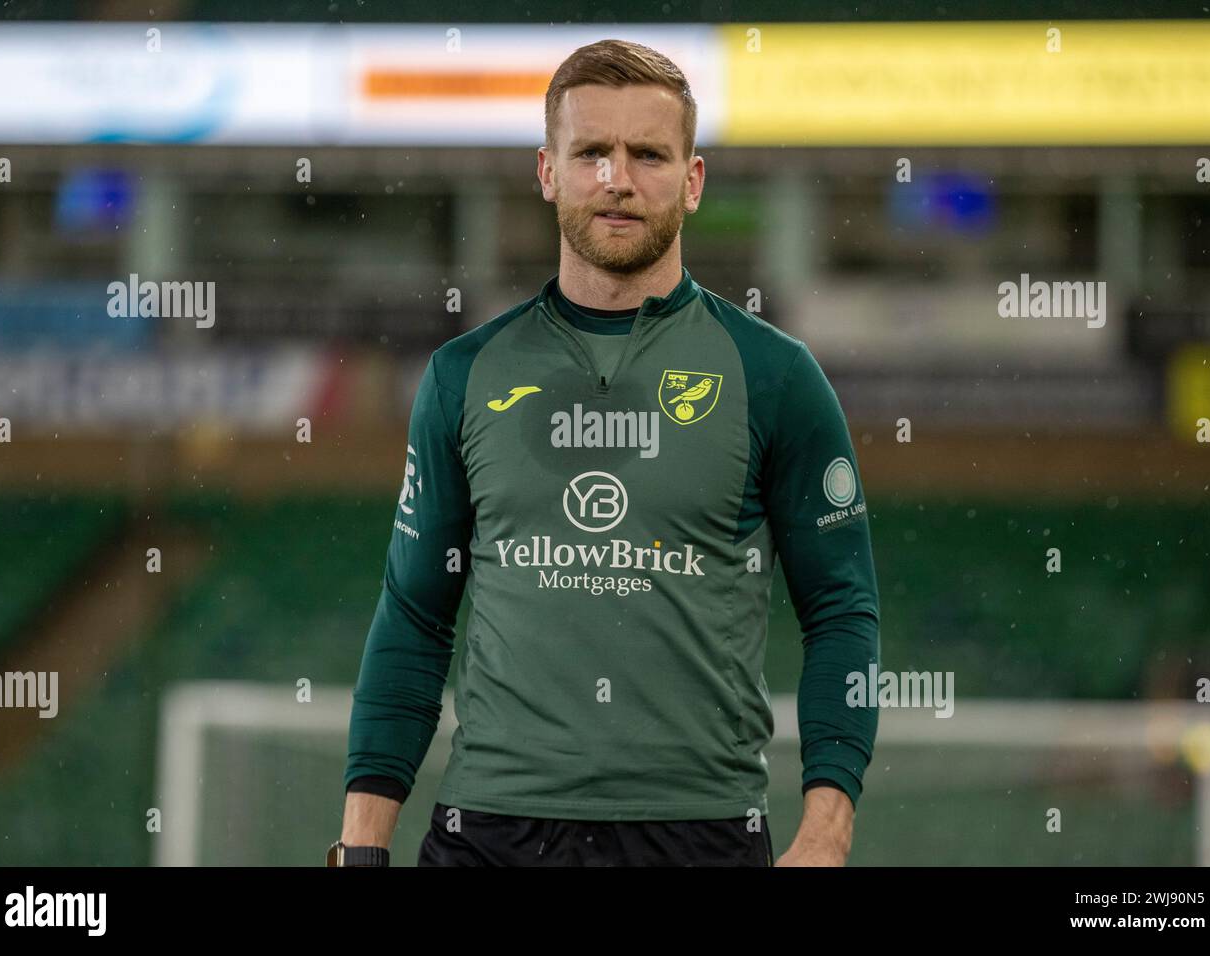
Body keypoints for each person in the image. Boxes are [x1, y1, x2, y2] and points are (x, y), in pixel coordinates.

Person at [334, 38, 879, 867]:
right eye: (591, 152)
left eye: (648, 155)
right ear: (548, 172)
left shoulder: (774, 377)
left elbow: (842, 609)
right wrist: (360, 845)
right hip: (489, 832)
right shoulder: (462, 377)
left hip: (702, 833)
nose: (616, 179)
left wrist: (827, 831)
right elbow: (413, 614)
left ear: (692, 182)